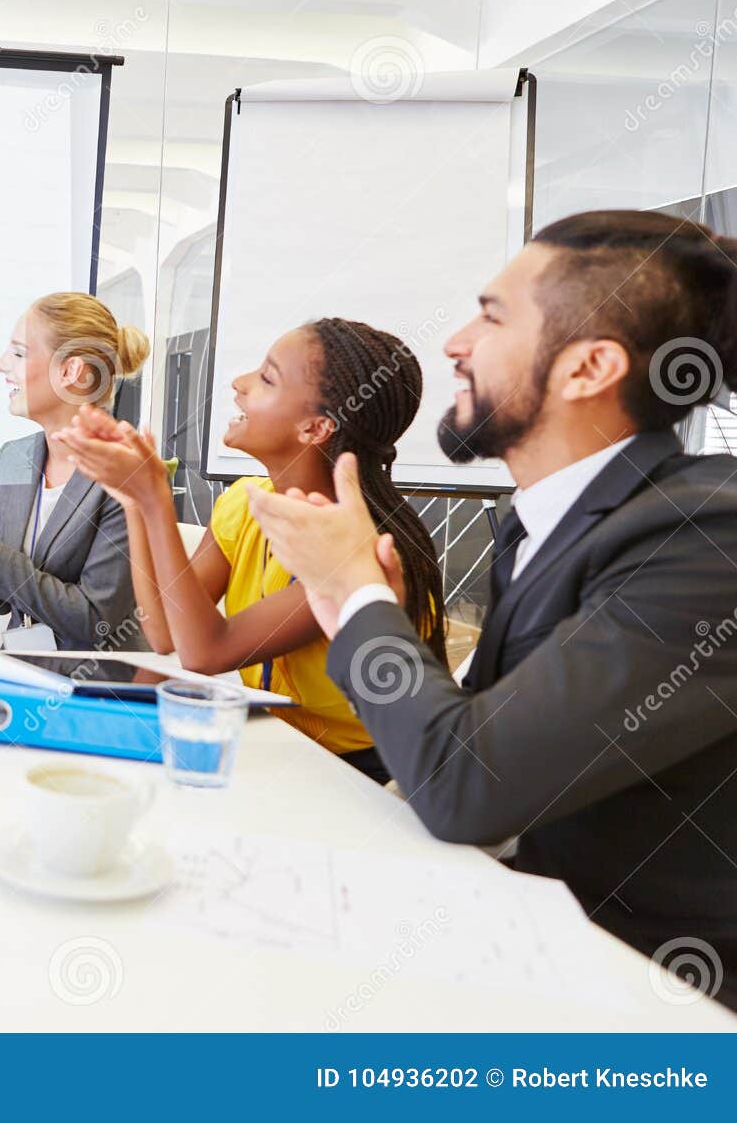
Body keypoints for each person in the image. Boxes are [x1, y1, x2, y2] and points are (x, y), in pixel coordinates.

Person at [245, 210, 737, 1010]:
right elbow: (489, 747)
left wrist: (357, 592)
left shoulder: (704, 537)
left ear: (588, 368)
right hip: (531, 944)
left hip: (654, 1011)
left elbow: (470, 786)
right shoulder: (539, 522)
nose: (455, 341)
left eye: (493, 314)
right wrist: (360, 610)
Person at [56, 319, 445, 784]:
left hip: (360, 778)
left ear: (315, 427)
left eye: (266, 377)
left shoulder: (356, 547)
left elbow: (206, 653)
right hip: (277, 748)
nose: (238, 384)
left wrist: (157, 498)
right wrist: (137, 501)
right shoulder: (244, 503)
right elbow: (163, 633)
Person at [0, 292, 150, 651]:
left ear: (70, 371)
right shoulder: (14, 458)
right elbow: (7, 599)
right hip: (22, 670)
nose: (3, 364)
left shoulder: (127, 473)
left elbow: (96, 621)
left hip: (97, 684)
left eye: (19, 353)